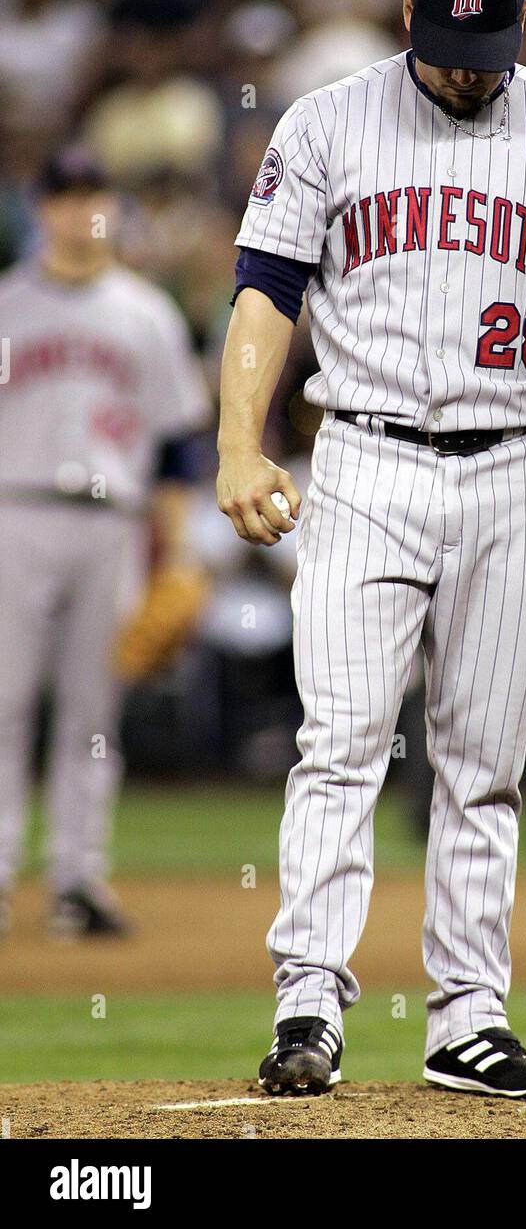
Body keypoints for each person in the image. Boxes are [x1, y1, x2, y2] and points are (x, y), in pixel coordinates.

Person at [216, 0, 526, 1100]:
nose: (468, 72)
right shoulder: (326, 122)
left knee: (483, 759)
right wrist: (240, 441)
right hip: (367, 460)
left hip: (514, 475)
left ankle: (467, 1019)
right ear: (405, 25)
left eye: (488, 49)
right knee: (339, 744)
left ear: (522, 25)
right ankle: (308, 1008)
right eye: (448, 50)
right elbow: (266, 291)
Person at [0, 147, 211, 938]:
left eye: (92, 194)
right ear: (40, 206)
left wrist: (178, 553)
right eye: (63, 195)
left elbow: (173, 450)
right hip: (13, 512)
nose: (78, 210)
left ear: (109, 208)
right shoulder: (8, 307)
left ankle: (78, 879)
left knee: (93, 709)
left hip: (110, 522)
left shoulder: (145, 314)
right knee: (4, 702)